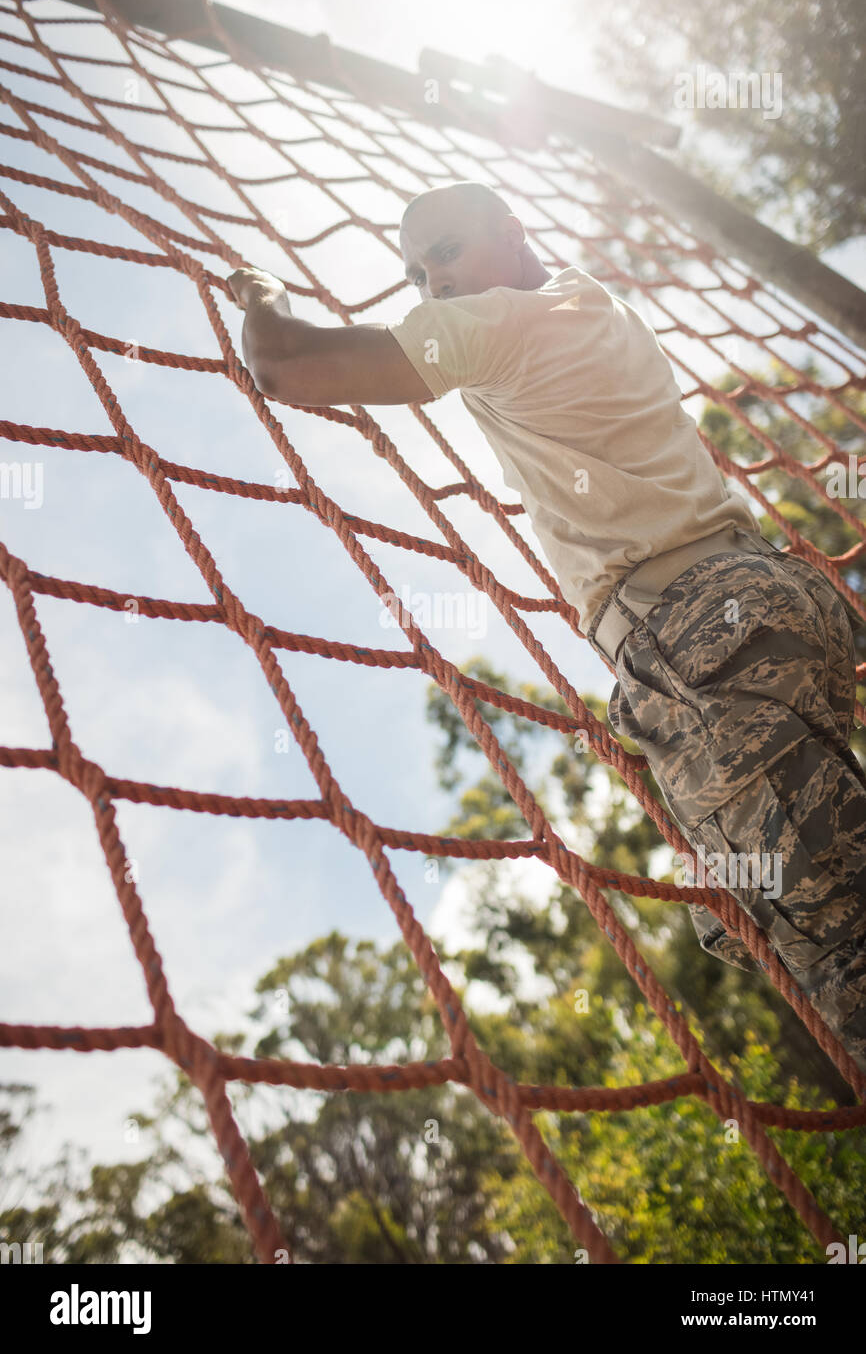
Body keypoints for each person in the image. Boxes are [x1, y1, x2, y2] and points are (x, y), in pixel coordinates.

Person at [227, 180, 866, 1086]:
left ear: (512, 232)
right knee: (775, 902)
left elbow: (286, 365)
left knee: (842, 953)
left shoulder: (498, 325)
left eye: (447, 251)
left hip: (701, 640)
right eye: (415, 272)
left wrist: (259, 292)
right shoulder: (597, 303)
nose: (434, 284)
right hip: (777, 606)